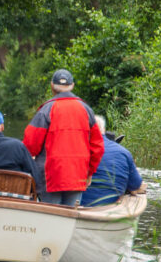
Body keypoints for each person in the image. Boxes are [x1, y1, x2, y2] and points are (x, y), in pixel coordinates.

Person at [22, 68, 103, 207]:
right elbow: (97, 147)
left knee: (51, 215)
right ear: (72, 86)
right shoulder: (86, 110)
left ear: (52, 86)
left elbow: (30, 146)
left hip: (50, 176)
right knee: (70, 214)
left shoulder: (46, 110)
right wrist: (89, 172)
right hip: (78, 175)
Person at [82, 115, 144, 207]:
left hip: (79, 203)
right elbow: (135, 185)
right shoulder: (124, 152)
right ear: (103, 129)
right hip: (110, 206)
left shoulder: (76, 150)